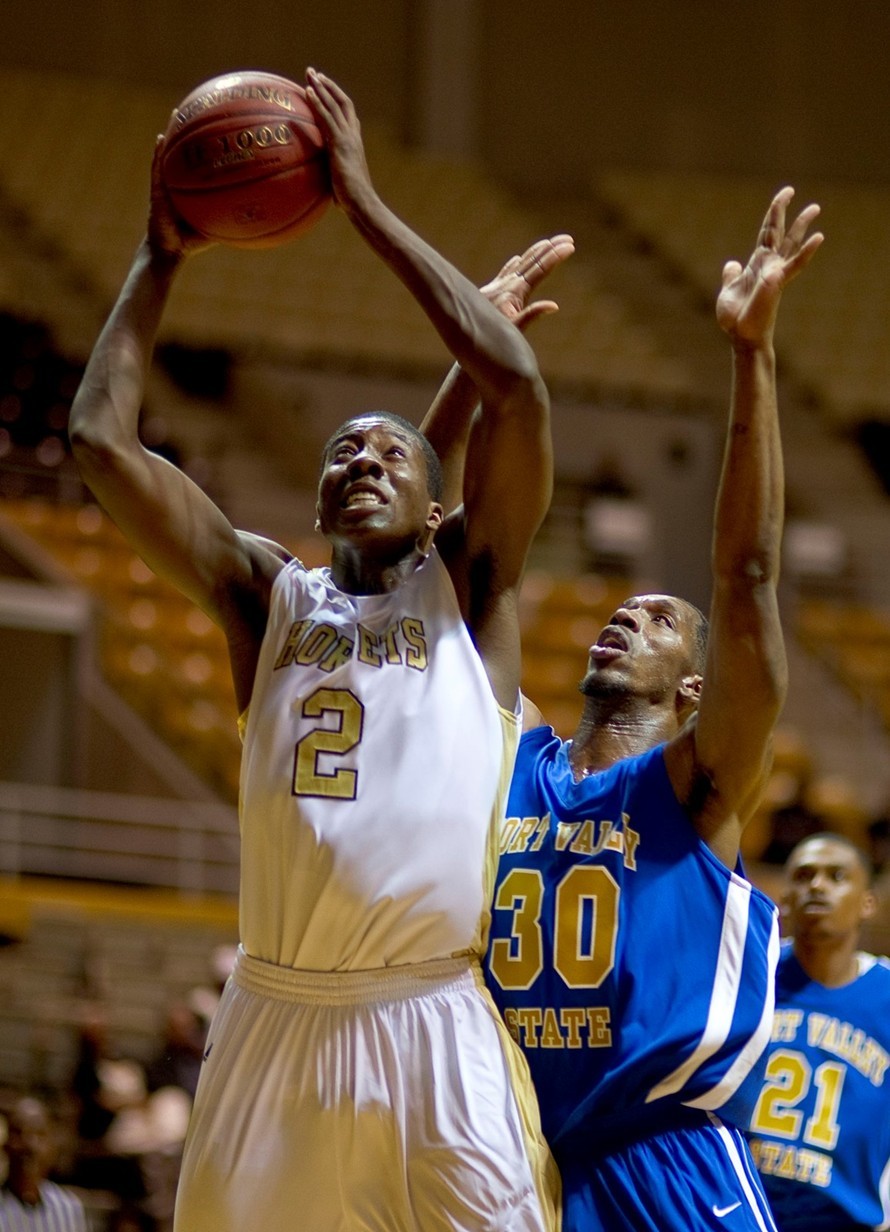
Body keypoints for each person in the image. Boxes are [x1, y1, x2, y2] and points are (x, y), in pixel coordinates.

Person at [68, 68, 573, 1232]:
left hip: (431, 1014)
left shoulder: (471, 588)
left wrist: (365, 207)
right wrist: (158, 256)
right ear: (312, 495)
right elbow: (98, 439)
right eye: (341, 449)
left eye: (389, 453)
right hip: (275, 1015)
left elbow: (515, 385)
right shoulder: (265, 596)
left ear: (437, 506)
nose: (359, 459)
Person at [479, 187, 823, 1231]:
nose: (626, 615)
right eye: (621, 610)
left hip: (663, 1158)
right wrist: (483, 371)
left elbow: (745, 576)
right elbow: (482, 569)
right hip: (523, 1162)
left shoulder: (694, 782)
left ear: (693, 687)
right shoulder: (510, 758)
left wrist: (751, 355)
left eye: (659, 619)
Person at [746, 832, 890, 1231]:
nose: (817, 886)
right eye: (804, 875)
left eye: (836, 876)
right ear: (785, 898)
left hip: (840, 1220)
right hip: (741, 1208)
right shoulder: (750, 974)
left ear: (868, 903)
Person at [0, 1093, 88, 1231]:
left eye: (40, 1133)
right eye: (18, 1132)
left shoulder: (69, 1208)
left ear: (53, 1145)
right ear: (5, 1145)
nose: (30, 1145)